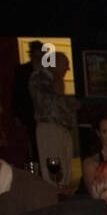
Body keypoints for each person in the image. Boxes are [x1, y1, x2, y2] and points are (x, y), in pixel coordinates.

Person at [29, 51, 78, 189]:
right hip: (49, 127)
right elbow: (48, 101)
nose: (67, 69)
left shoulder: (53, 80)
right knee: (53, 168)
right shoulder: (40, 77)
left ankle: (62, 194)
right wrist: (57, 76)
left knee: (65, 168)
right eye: (65, 64)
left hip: (62, 127)